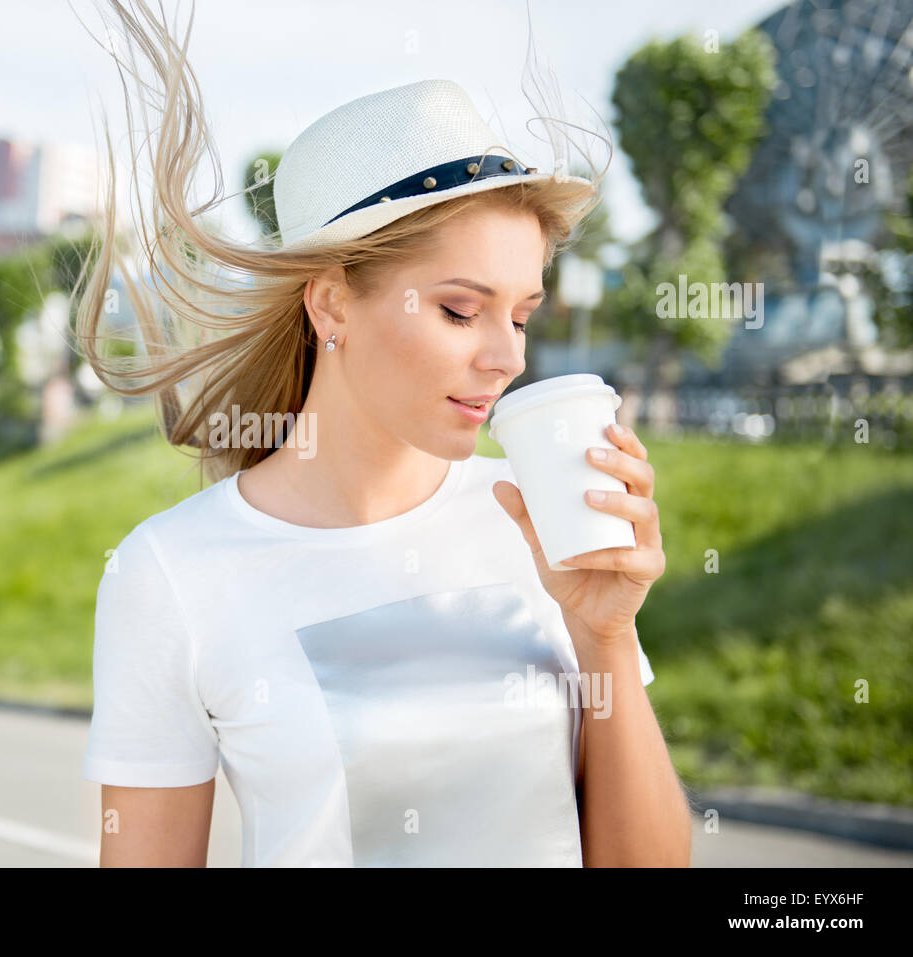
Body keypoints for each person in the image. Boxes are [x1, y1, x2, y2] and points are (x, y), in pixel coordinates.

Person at [72, 0, 690, 867]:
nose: (505, 356)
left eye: (521, 315)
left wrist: (607, 633)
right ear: (331, 302)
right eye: (459, 309)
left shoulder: (541, 523)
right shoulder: (173, 573)